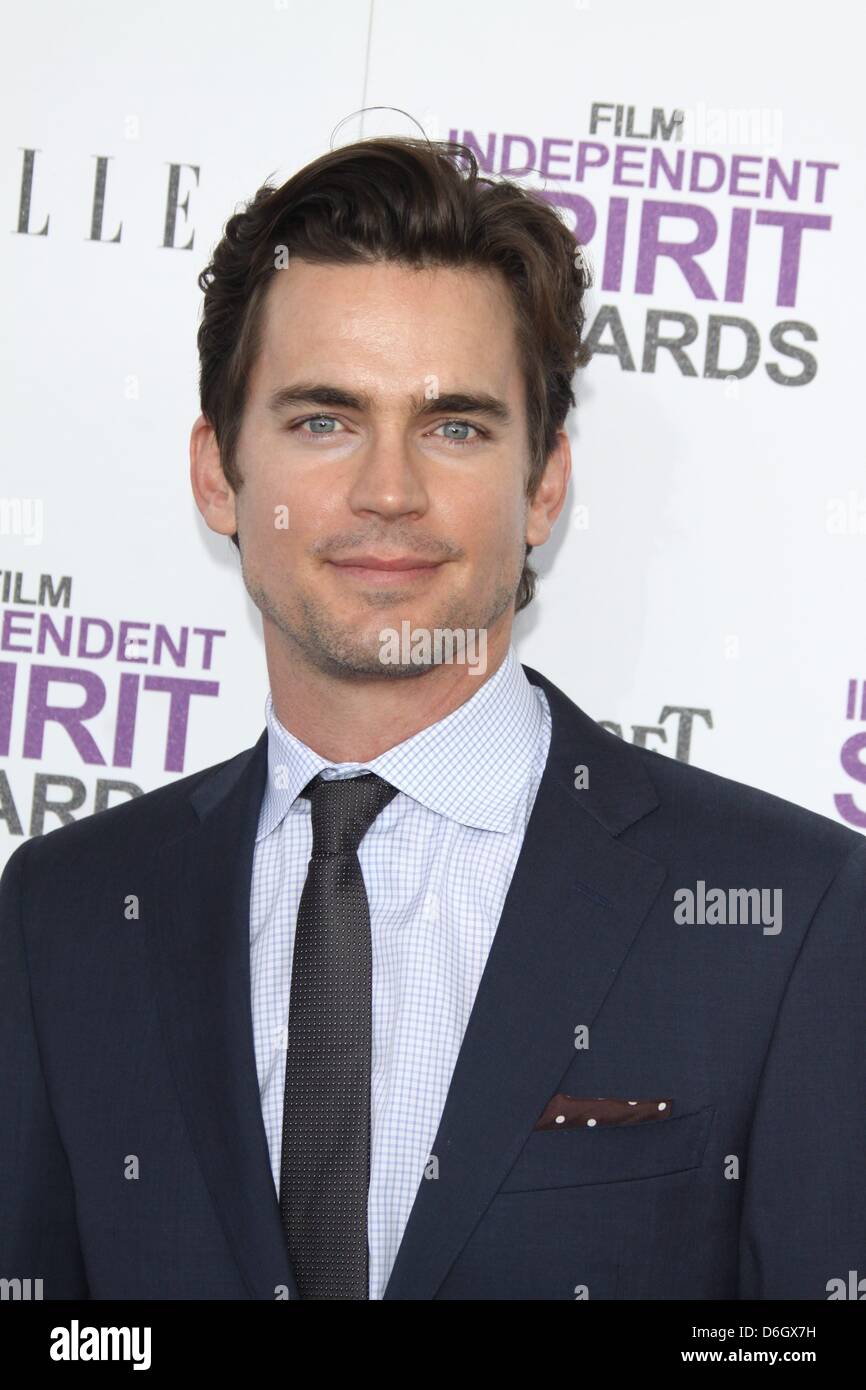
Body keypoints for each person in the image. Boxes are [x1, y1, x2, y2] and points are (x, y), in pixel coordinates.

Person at [1, 137, 863, 1301]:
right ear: (219, 475)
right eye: (322, 420)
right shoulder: (65, 912)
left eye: (454, 425)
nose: (389, 490)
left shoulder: (791, 915)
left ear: (544, 484)